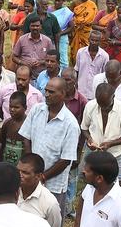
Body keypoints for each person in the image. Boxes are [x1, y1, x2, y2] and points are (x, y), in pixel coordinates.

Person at [20, 76, 80, 213]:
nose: (46, 94)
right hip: (31, 179)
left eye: (51, 92)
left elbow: (65, 160)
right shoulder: (36, 110)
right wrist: (31, 168)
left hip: (53, 185)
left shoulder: (70, 124)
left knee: (51, 224)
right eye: (46, 91)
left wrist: (42, 177)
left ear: (63, 94)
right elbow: (26, 138)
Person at [80, 82, 121, 194]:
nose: (103, 108)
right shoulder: (91, 106)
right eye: (100, 105)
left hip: (115, 153)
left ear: (113, 97)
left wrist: (111, 143)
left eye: (106, 105)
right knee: (84, 174)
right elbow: (84, 128)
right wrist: (89, 140)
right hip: (94, 150)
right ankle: (89, 195)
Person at [17, 153, 63, 227]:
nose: (19, 175)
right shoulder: (10, 192)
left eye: (25, 173)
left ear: (38, 176)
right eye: (18, 171)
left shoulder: (50, 203)